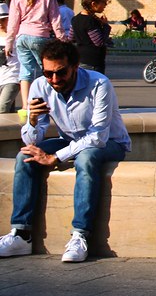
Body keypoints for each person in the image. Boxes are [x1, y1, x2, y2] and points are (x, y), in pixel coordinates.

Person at [0, 40, 131, 263]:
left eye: (60, 73)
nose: (54, 80)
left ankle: (80, 235)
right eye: (48, 73)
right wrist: (32, 121)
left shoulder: (99, 84)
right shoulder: (40, 86)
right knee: (26, 155)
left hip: (110, 143)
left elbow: (97, 136)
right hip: (71, 141)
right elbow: (34, 138)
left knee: (86, 156)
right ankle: (21, 234)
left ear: (75, 67)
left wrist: (56, 157)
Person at [5, 0, 67, 110]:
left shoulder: (17, 0)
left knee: (25, 71)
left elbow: (13, 24)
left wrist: (9, 43)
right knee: (46, 70)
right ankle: (47, 101)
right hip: (40, 36)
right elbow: (55, 20)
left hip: (22, 38)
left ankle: (27, 106)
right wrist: (62, 39)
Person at [71, 0, 113, 74]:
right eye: (104, 2)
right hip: (93, 61)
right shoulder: (90, 21)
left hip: (80, 59)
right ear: (93, 4)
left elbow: (71, 37)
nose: (105, 5)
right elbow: (98, 42)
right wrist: (105, 26)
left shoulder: (75, 19)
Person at [0, 3, 19, 113]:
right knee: (9, 113)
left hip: (12, 77)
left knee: (2, 109)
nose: (0, 23)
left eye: (3, 20)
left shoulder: (16, 37)